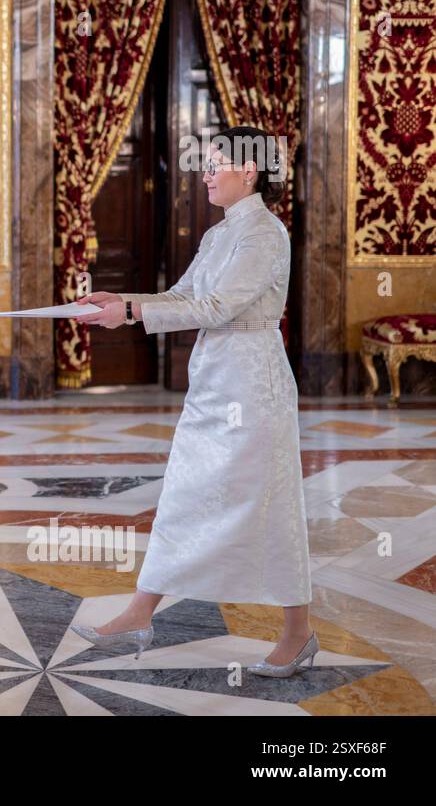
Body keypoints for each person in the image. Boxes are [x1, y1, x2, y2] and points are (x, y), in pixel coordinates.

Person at [73, 126, 315, 678]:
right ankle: (140, 611)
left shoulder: (265, 235)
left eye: (216, 164)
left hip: (253, 387)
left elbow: (217, 307)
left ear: (249, 172)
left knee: (268, 505)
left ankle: (299, 632)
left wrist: (131, 317)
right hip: (212, 385)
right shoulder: (217, 236)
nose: (205, 174)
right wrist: (123, 299)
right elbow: (184, 296)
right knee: (185, 494)